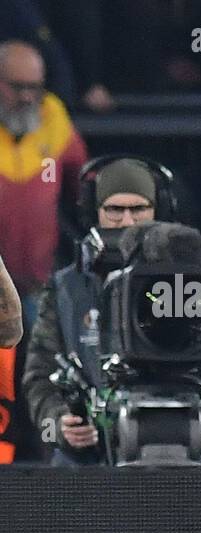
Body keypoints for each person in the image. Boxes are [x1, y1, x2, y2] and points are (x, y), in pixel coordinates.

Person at [24, 186, 201, 465]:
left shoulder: (196, 284)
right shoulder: (64, 289)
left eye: (138, 209)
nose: (127, 221)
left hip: (193, 447)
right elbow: (40, 373)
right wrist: (59, 422)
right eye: (114, 210)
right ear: (93, 213)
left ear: (158, 210)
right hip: (91, 461)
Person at [0, 39, 88, 462]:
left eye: (34, 86)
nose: (27, 97)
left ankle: (39, 478)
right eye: (17, 86)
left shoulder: (52, 116)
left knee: (38, 380)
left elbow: (80, 183)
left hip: (34, 284)